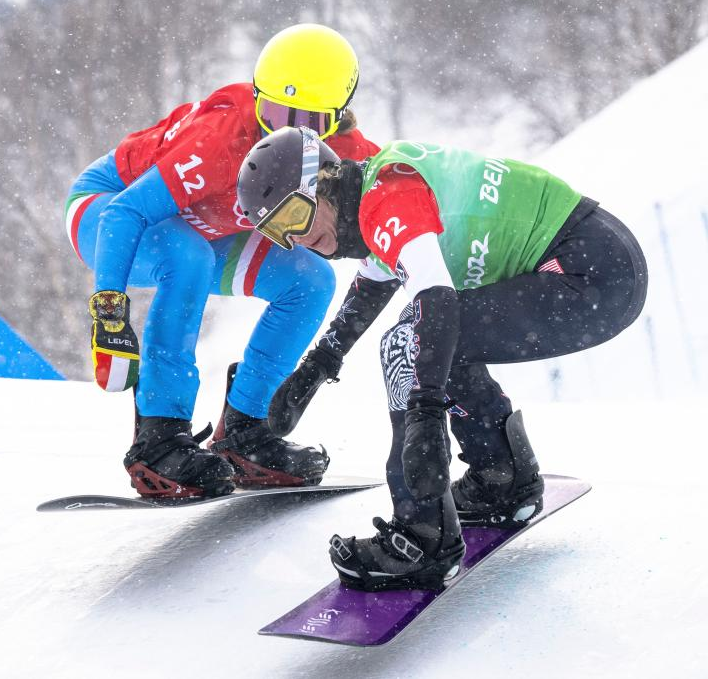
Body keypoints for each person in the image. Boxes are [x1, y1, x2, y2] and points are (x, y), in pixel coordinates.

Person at [236, 127, 648, 591]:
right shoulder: (374, 188)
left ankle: (422, 538)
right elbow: (373, 284)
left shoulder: (385, 200)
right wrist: (318, 365)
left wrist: (425, 413)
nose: (297, 237)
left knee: (410, 341)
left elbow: (434, 300)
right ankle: (503, 478)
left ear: (326, 181)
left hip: (588, 273)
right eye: (276, 230)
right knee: (435, 336)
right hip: (600, 259)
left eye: (294, 214)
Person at [65, 25, 380, 499]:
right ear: (257, 97)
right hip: (108, 210)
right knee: (185, 255)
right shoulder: (222, 137)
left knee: (310, 279)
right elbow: (126, 211)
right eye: (275, 112)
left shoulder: (339, 154)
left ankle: (247, 429)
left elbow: (403, 188)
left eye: (311, 121)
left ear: (340, 121)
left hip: (199, 230)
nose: (289, 129)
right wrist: (109, 308)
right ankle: (158, 436)